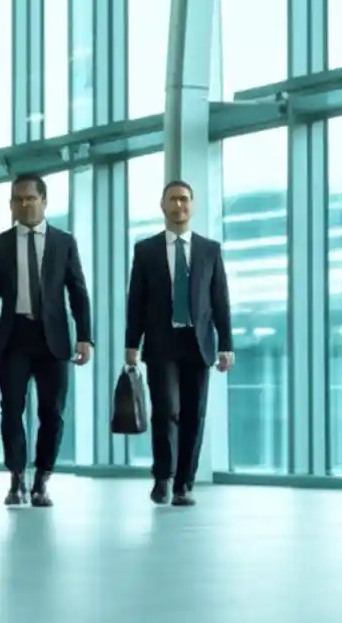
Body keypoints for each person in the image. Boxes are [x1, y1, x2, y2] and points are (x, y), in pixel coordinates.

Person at [0, 173, 93, 507]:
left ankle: (42, 479)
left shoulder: (64, 242)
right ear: (11, 204)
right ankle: (16, 478)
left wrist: (85, 337)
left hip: (53, 340)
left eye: (30, 198)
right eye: (18, 199)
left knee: (52, 413)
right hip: (14, 338)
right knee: (11, 410)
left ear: (44, 201)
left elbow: (78, 291)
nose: (24, 204)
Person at [124, 180, 233, 507]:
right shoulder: (146, 250)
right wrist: (132, 342)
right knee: (166, 410)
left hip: (198, 343)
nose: (179, 205)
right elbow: (136, 301)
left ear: (193, 205)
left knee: (193, 414)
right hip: (161, 342)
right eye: (173, 199)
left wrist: (226, 343)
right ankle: (162, 478)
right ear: (163, 205)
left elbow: (220, 301)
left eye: (185, 199)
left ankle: (184, 484)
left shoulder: (210, 250)